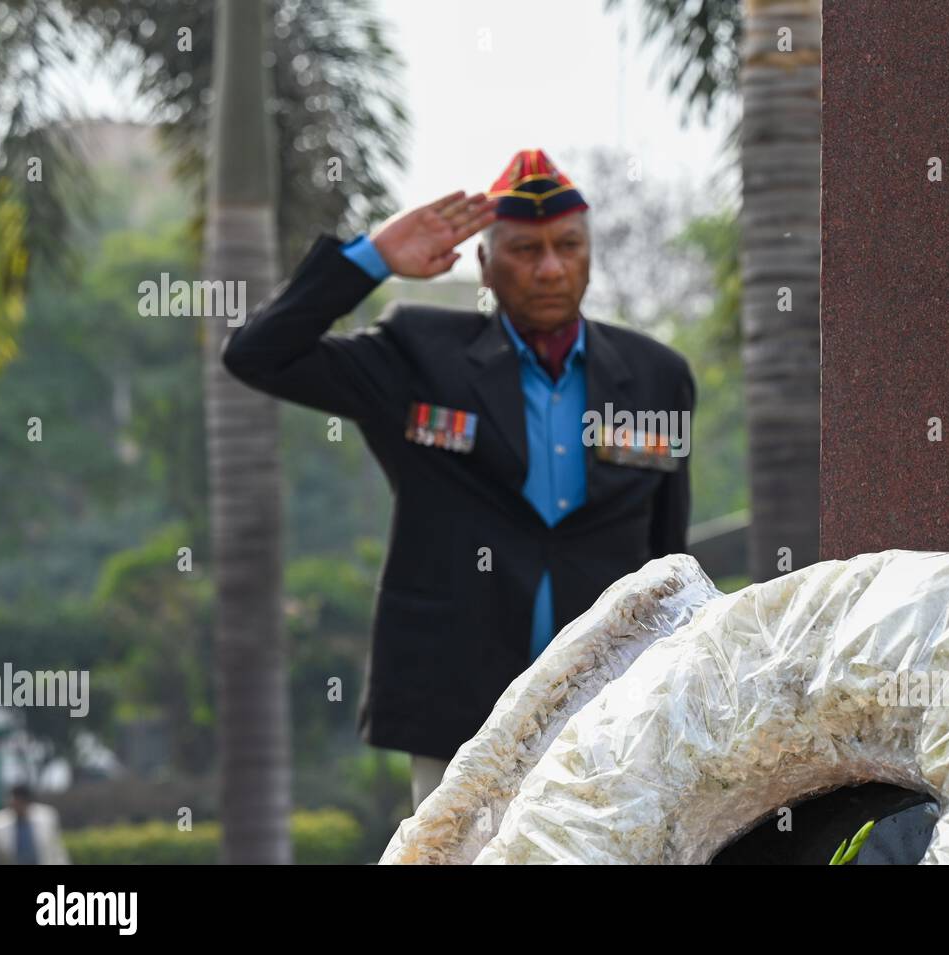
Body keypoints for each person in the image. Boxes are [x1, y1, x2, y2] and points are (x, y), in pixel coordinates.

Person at [222, 149, 696, 808]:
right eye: (526, 250)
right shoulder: (420, 353)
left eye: (567, 246)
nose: (551, 267)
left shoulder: (656, 375)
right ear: (485, 263)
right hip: (459, 708)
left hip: (613, 704)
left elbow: (669, 558)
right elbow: (258, 354)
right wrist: (374, 256)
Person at [0, 783, 71, 865]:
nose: (17, 806)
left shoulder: (47, 817)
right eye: (15, 802)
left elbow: (56, 851)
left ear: (28, 802)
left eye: (20, 802)